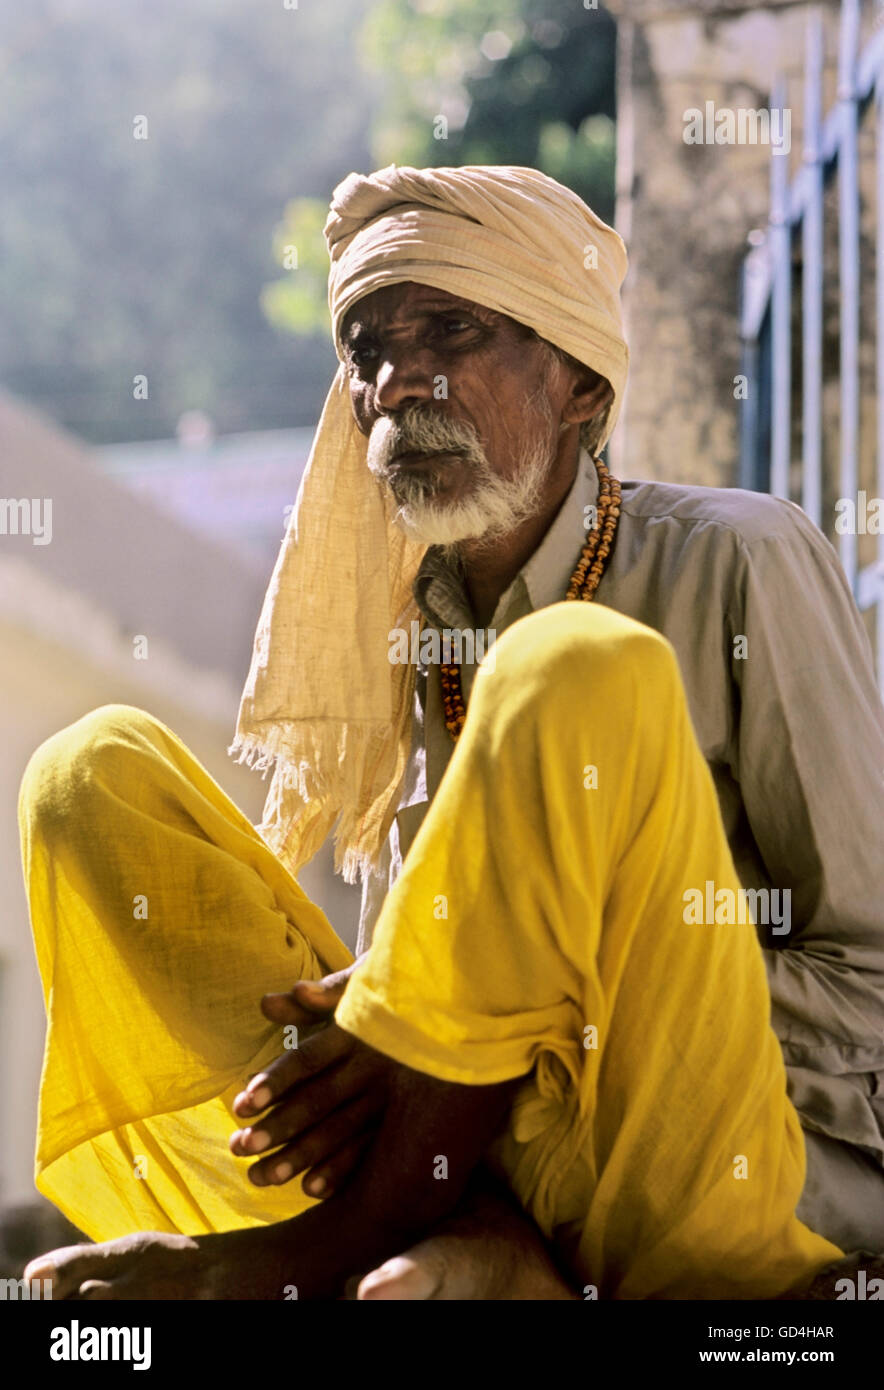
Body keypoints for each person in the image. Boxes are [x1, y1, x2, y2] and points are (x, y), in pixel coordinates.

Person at [20, 164, 884, 1301]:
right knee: (89, 776)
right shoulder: (404, 634)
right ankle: (484, 1240)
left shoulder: (737, 558)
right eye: (365, 350)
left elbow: (867, 979)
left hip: (713, 1166)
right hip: (474, 1155)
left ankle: (326, 1254)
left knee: (568, 667)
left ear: (576, 381)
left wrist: (500, 992)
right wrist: (419, 1007)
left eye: (451, 329)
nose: (395, 381)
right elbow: (419, 1036)